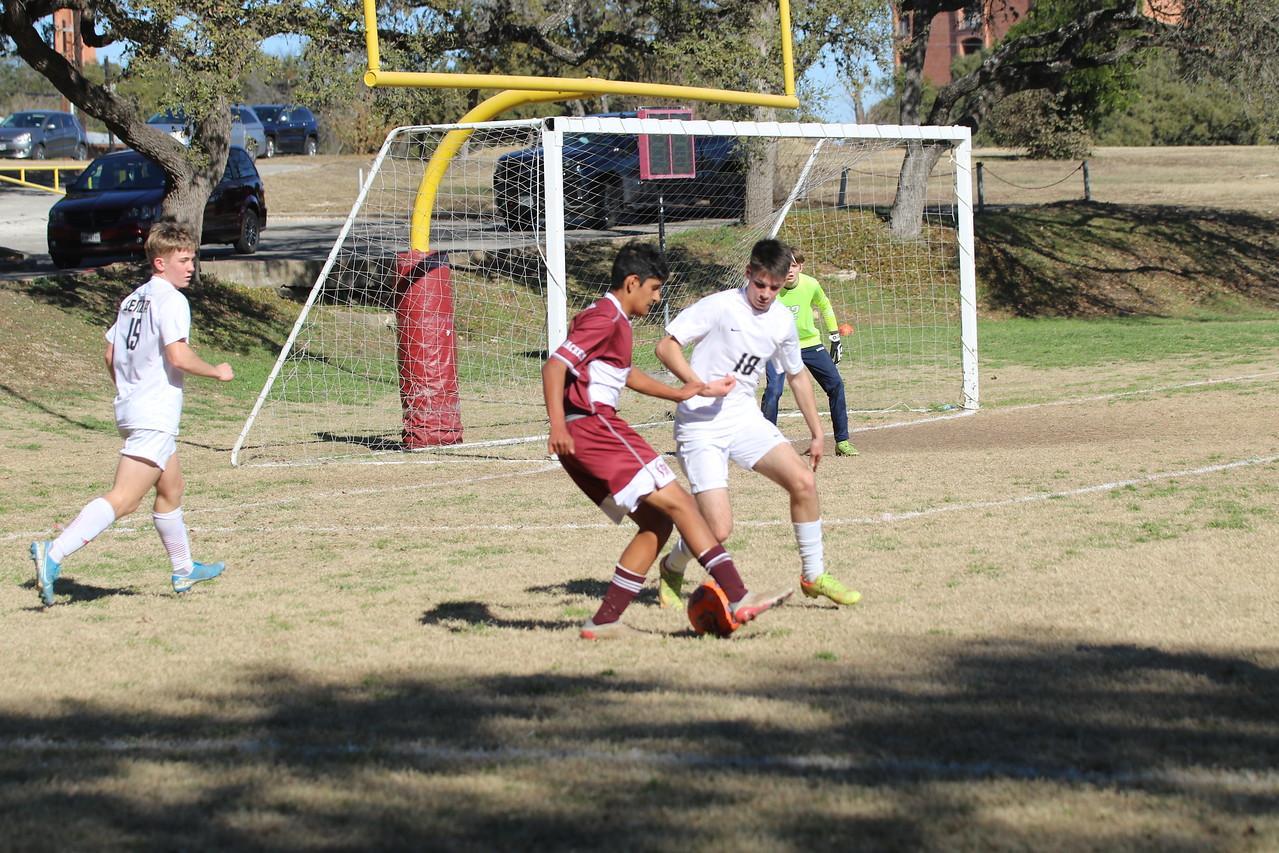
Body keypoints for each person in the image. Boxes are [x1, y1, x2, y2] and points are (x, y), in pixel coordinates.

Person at [542, 243, 792, 640]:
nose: (657, 298)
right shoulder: (606, 318)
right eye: (654, 289)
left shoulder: (611, 320)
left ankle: (604, 621)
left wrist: (681, 392)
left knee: (656, 523)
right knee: (682, 504)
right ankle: (739, 596)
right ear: (632, 283)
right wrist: (558, 424)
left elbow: (624, 375)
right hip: (595, 427)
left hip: (588, 435)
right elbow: (555, 365)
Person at [30, 223, 235, 606]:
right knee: (124, 499)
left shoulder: (133, 299)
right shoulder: (172, 300)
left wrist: (128, 391)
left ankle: (184, 567)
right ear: (161, 262)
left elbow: (110, 353)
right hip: (152, 413)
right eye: (183, 260)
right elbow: (177, 355)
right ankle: (52, 554)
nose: (191, 266)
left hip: (134, 408)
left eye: (192, 259)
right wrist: (215, 370)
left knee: (171, 488)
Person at [654, 238, 861, 607]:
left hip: (743, 418)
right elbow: (666, 346)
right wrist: (699, 386)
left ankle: (813, 576)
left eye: (774, 287)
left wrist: (817, 433)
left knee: (803, 481)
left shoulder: (782, 320)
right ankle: (672, 565)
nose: (765, 293)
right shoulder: (720, 306)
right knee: (718, 529)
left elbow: (797, 376)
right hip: (700, 425)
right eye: (760, 284)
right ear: (748, 273)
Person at [760, 246, 857, 457]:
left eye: (794, 265)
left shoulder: (811, 284)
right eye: (786, 266)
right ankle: (765, 445)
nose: (790, 270)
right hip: (779, 347)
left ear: (800, 267)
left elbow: (824, 304)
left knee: (836, 385)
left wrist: (834, 337)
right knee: (774, 392)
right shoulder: (770, 288)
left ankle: (842, 441)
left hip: (810, 343)